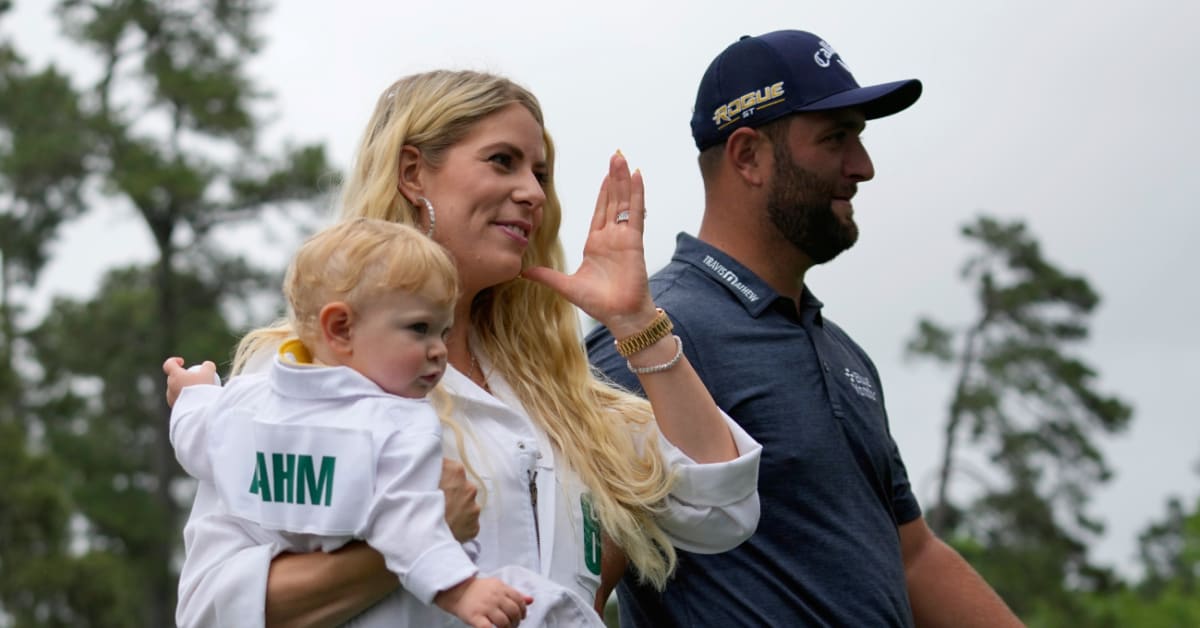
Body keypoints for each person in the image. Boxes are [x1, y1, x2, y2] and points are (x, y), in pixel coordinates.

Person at [171, 70, 763, 628]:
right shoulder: (307, 373)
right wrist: (418, 541)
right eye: (502, 161)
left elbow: (722, 510)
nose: (532, 192)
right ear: (412, 173)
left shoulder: (558, 396)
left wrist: (636, 322)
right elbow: (215, 605)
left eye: (541, 174)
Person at [587, 30, 1023, 627]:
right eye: (836, 138)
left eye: (860, 138)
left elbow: (914, 555)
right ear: (748, 156)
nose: (863, 168)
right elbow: (580, 576)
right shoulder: (651, 336)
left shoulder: (845, 355)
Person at [163, 218, 545, 627]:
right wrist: (462, 589)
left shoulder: (245, 400)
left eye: (443, 332)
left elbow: (195, 439)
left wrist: (195, 392)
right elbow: (411, 524)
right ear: (340, 328)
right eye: (420, 329)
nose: (438, 351)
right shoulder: (398, 424)